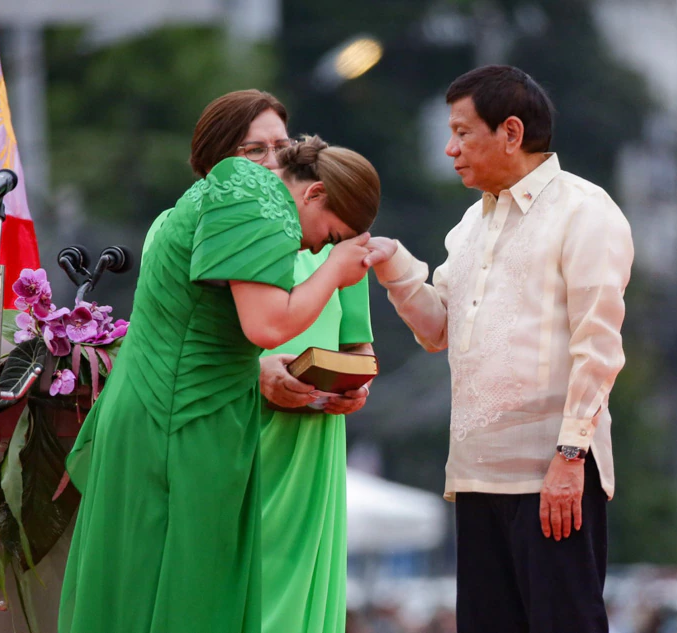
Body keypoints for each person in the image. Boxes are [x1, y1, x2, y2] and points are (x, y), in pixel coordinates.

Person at [58, 120, 381, 633]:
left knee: (181, 590)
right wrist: (335, 269)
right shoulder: (251, 196)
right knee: (177, 591)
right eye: (330, 236)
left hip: (194, 414)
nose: (318, 249)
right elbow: (269, 325)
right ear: (315, 191)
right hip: (178, 417)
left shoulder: (241, 195)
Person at [363, 65, 634, 632]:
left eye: (463, 133)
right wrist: (393, 265)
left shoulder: (585, 211)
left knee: (565, 623)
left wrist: (570, 457)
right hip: (476, 472)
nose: (449, 149)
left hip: (552, 472)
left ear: (511, 132)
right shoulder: (469, 226)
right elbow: (439, 329)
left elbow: (598, 345)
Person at [143, 90, 375, 633]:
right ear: (216, 162)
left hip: (313, 441)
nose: (273, 160)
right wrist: (258, 372)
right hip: (232, 429)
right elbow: (175, 341)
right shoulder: (194, 226)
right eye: (254, 150)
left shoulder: (330, 234)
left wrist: (354, 383)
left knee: (305, 603)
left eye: (281, 145)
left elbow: (358, 344)